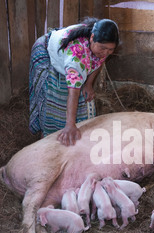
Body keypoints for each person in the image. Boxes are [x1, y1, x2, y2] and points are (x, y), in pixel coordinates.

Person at [29, 17, 119, 146]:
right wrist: (70, 125)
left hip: (69, 55)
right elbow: (73, 92)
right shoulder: (77, 57)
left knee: (81, 94)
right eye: (103, 48)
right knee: (53, 94)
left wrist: (88, 84)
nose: (106, 52)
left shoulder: (100, 44)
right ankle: (45, 136)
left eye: (110, 50)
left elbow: (98, 61)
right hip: (46, 51)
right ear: (92, 38)